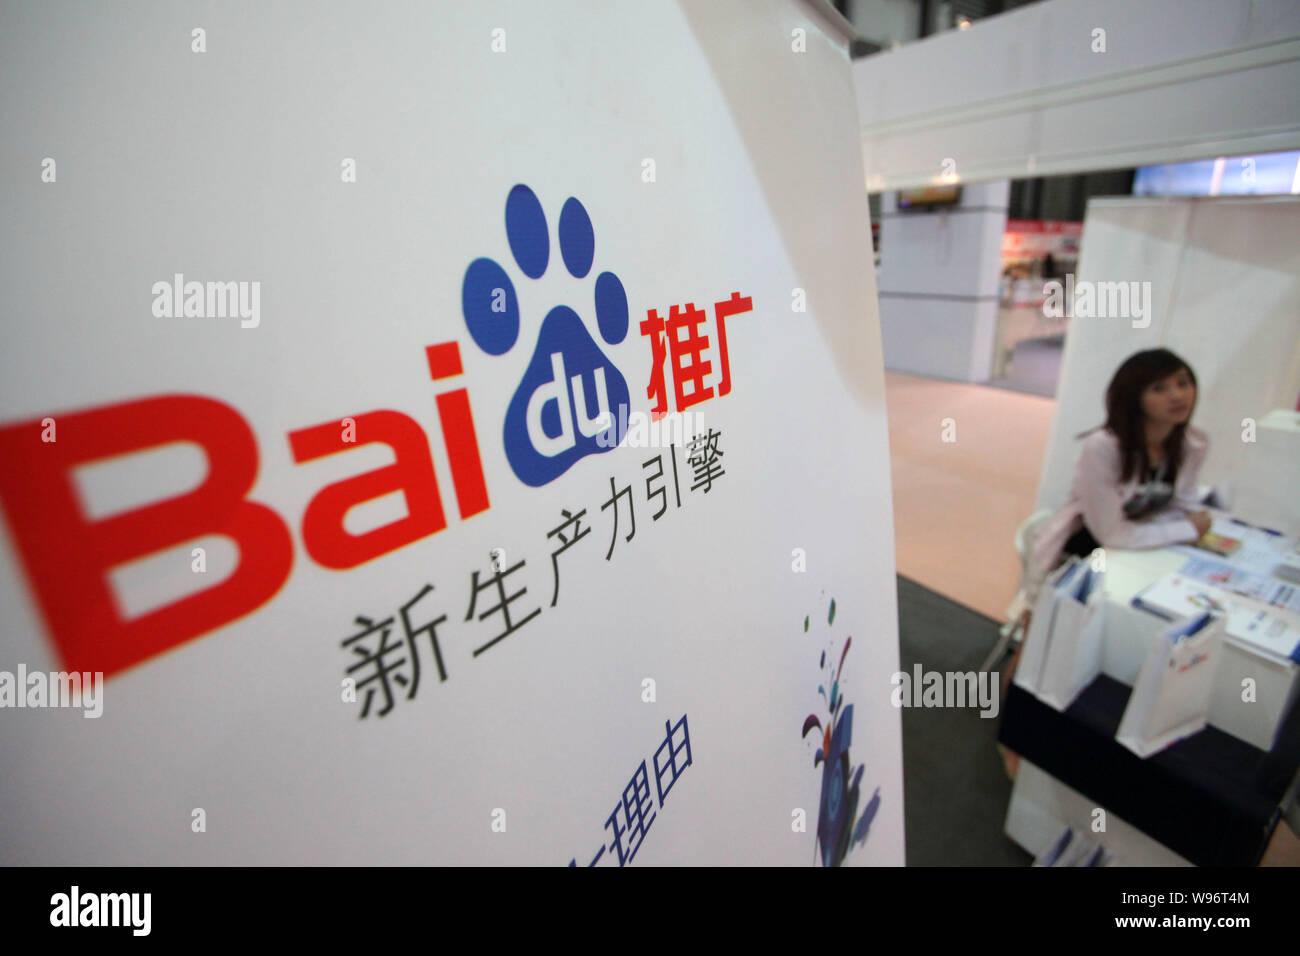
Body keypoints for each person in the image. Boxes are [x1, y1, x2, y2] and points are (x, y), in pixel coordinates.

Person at [1027, 348, 1212, 601]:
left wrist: (1190, 523)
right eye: (1159, 388)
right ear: (1134, 397)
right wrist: (1188, 529)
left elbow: (1185, 502)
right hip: (1090, 551)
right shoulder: (1104, 447)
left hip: (1140, 541)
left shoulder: (1192, 443)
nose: (1178, 396)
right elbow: (1111, 534)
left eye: (1183, 383)